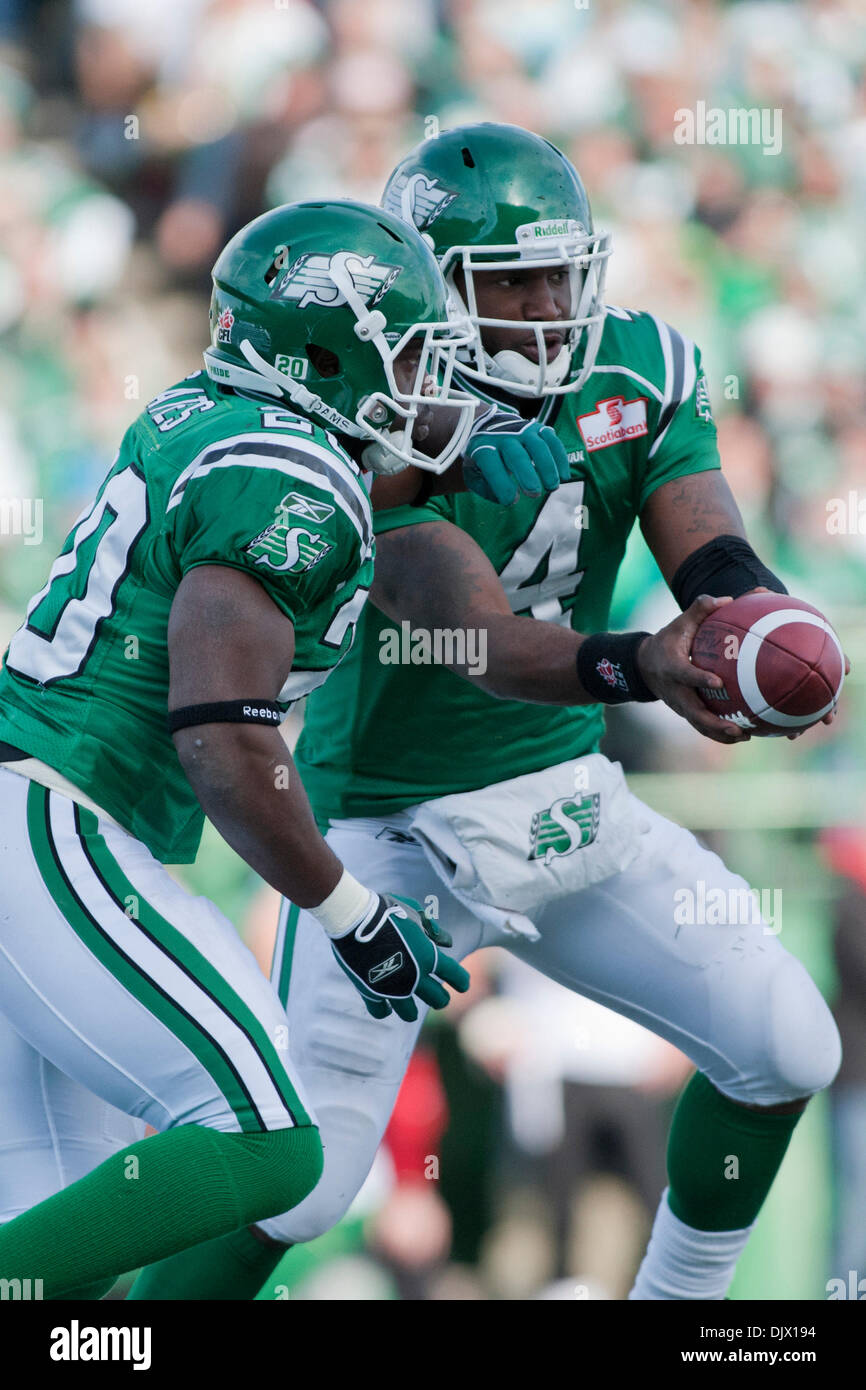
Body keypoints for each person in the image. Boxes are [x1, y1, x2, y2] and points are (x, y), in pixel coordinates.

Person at [140, 124, 843, 1302]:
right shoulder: (372, 399)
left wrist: (752, 631)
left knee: (786, 1047)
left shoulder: (633, 366)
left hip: (566, 807)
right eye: (506, 280)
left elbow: (710, 546)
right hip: (388, 836)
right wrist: (642, 666)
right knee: (305, 1181)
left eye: (558, 270)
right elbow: (474, 645)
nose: (544, 303)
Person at [0, 197, 507, 1298]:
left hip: (43, 813)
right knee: (268, 1141)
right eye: (414, 351)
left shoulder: (224, 422)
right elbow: (222, 734)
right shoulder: (293, 478)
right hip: (60, 813)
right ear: (330, 352)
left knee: (58, 1272)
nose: (434, 381)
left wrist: (437, 475)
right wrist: (346, 910)